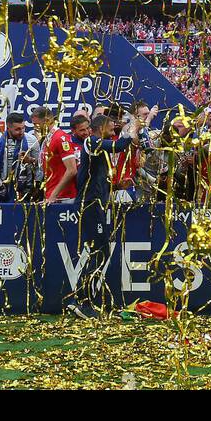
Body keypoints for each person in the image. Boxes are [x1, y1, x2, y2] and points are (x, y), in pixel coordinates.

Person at [67, 111, 143, 316]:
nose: (114, 129)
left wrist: (117, 186)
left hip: (96, 203)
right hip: (89, 204)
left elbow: (98, 179)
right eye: (111, 127)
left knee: (99, 252)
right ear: (101, 128)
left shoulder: (97, 147)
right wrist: (132, 126)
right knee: (98, 251)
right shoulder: (91, 142)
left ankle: (84, 299)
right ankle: (80, 300)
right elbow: (120, 145)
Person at [0, 112, 42, 202]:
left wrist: (37, 187)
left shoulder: (32, 140)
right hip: (1, 189)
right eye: (17, 129)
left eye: (23, 128)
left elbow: (39, 166)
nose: (22, 132)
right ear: (8, 128)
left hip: (24, 190)